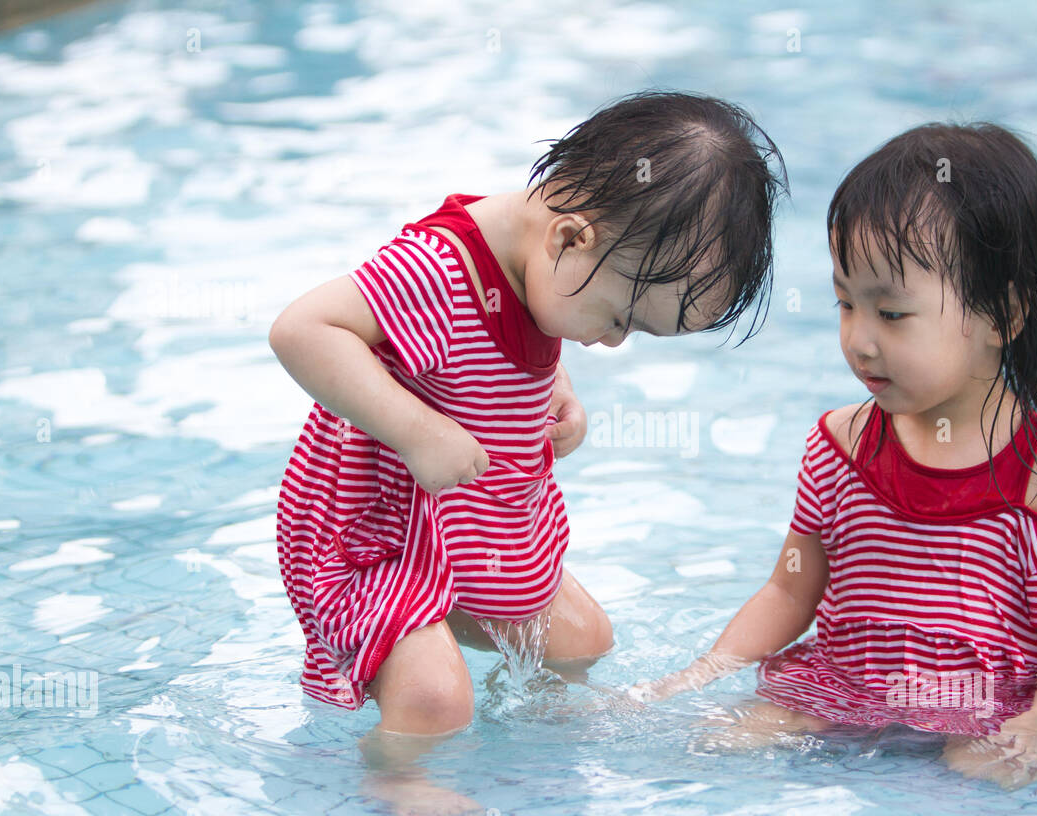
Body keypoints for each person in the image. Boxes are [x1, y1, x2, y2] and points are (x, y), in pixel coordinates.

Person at [632, 122, 1037, 790]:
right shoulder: (840, 446)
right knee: (717, 742)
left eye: (893, 314)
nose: (859, 340)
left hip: (989, 706)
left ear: (1002, 315)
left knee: (973, 774)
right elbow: (790, 590)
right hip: (849, 686)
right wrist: (697, 675)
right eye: (845, 304)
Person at [271, 90, 788, 750]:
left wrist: (552, 388)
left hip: (465, 522)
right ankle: (397, 790)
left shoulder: (541, 263)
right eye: (620, 319)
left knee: (580, 644)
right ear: (571, 237)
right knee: (434, 701)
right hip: (375, 535)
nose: (613, 341)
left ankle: (515, 721)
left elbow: (497, 344)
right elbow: (302, 329)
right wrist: (417, 431)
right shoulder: (435, 269)